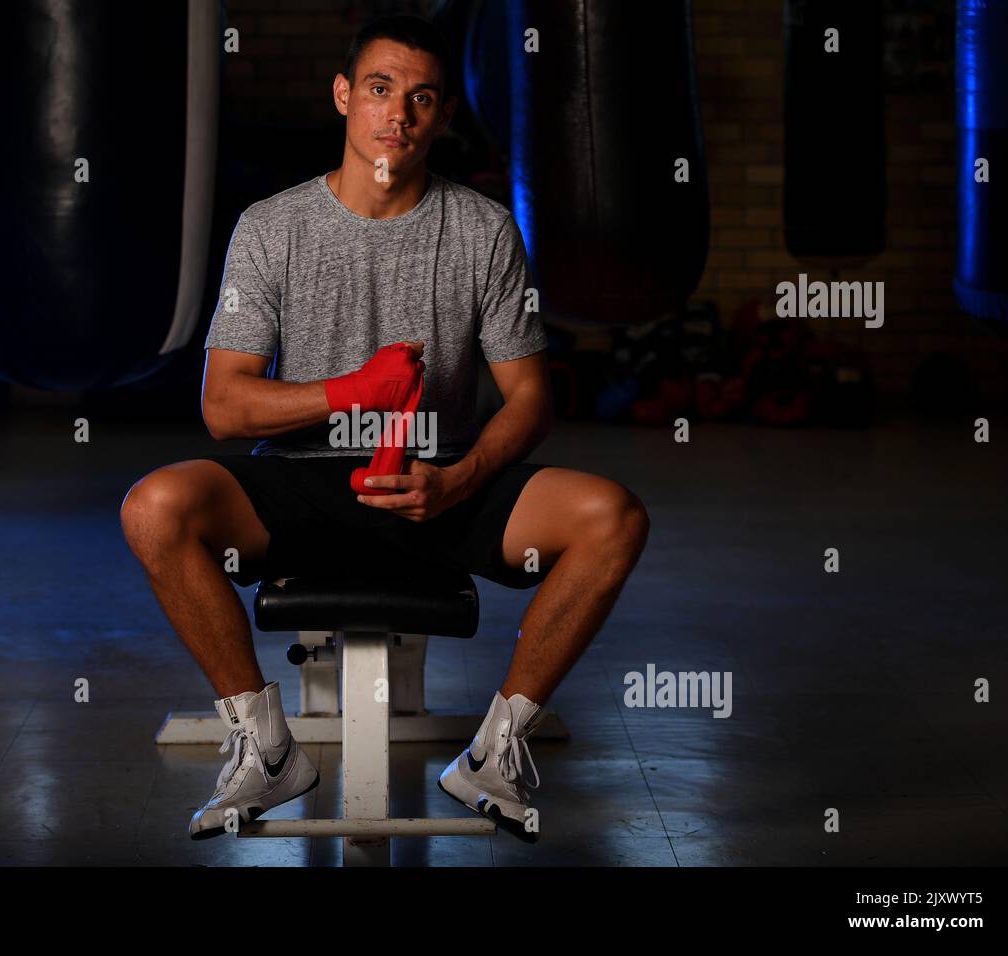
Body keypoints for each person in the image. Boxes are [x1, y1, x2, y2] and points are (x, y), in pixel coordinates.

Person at [120, 15, 649, 844]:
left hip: (442, 480)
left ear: (440, 119)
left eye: (420, 98)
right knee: (154, 507)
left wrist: (464, 478)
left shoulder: (483, 231)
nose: (396, 113)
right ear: (343, 97)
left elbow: (530, 400)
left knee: (611, 517)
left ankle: (494, 753)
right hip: (301, 478)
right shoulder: (272, 227)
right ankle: (263, 747)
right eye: (378, 89)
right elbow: (224, 406)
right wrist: (349, 390)